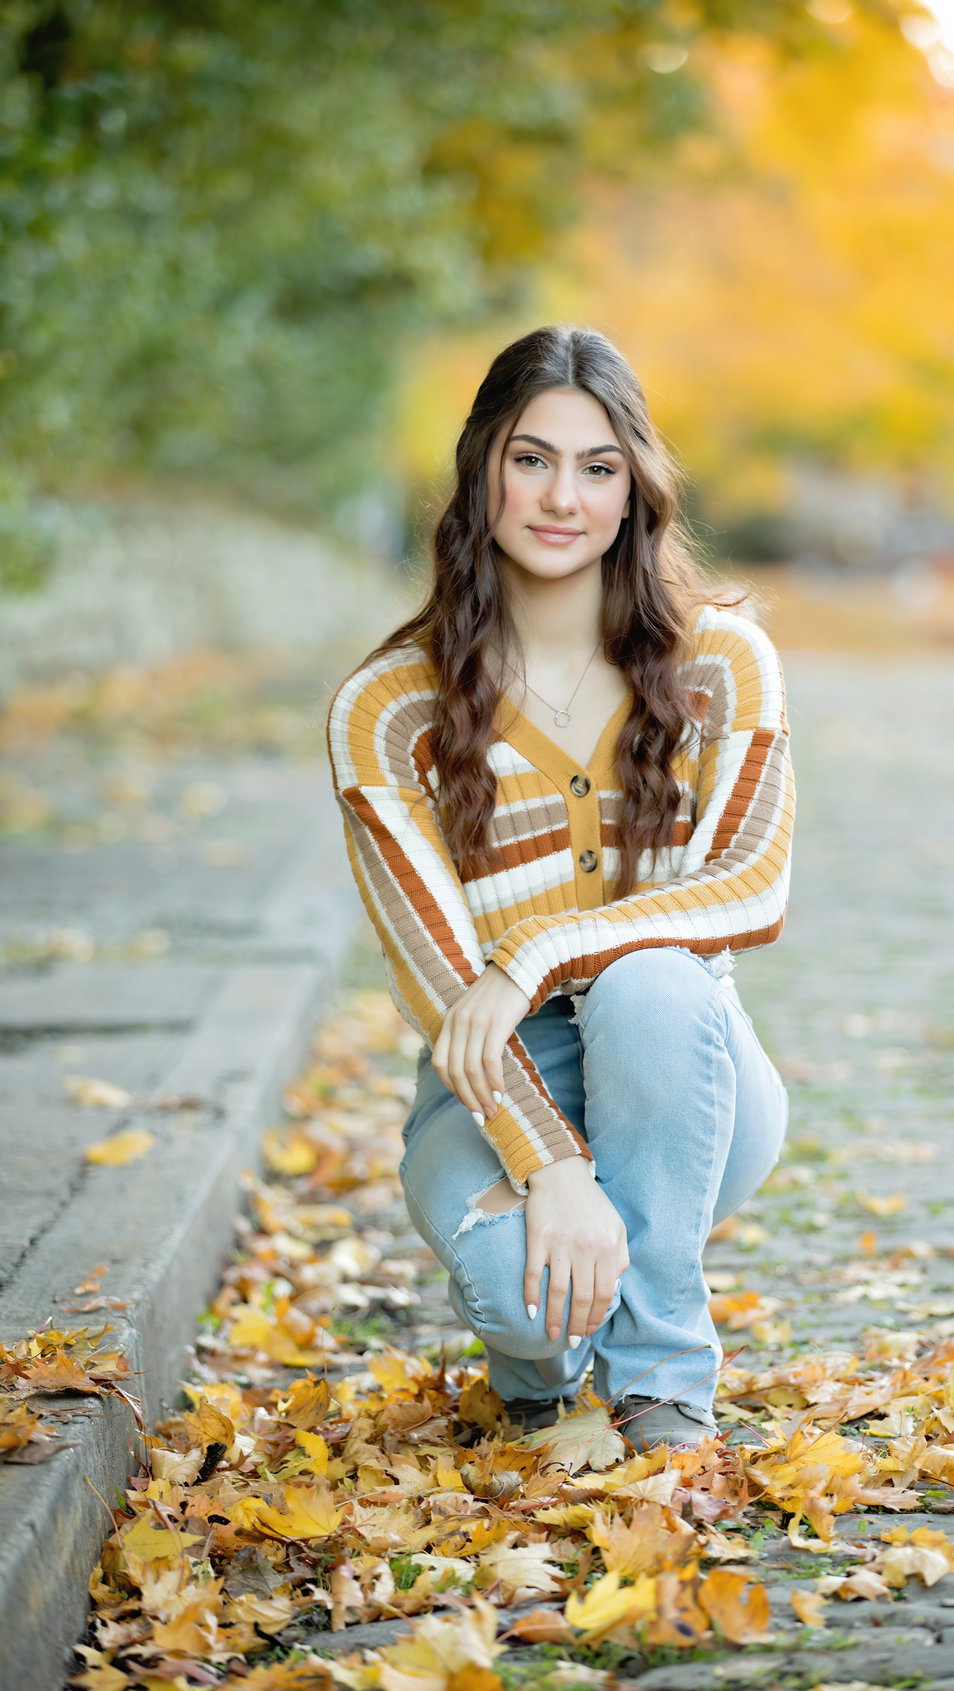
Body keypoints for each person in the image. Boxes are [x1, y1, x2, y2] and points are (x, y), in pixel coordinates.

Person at [327, 325, 794, 1451]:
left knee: (650, 980)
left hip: (684, 1058)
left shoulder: (720, 659)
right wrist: (552, 1169)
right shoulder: (388, 709)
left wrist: (533, 952)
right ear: (481, 465)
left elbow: (752, 887)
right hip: (492, 1071)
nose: (561, 497)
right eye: (531, 458)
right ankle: (536, 1346)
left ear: (634, 491)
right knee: (529, 1296)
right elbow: (447, 985)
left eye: (598, 468)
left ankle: (664, 1384)